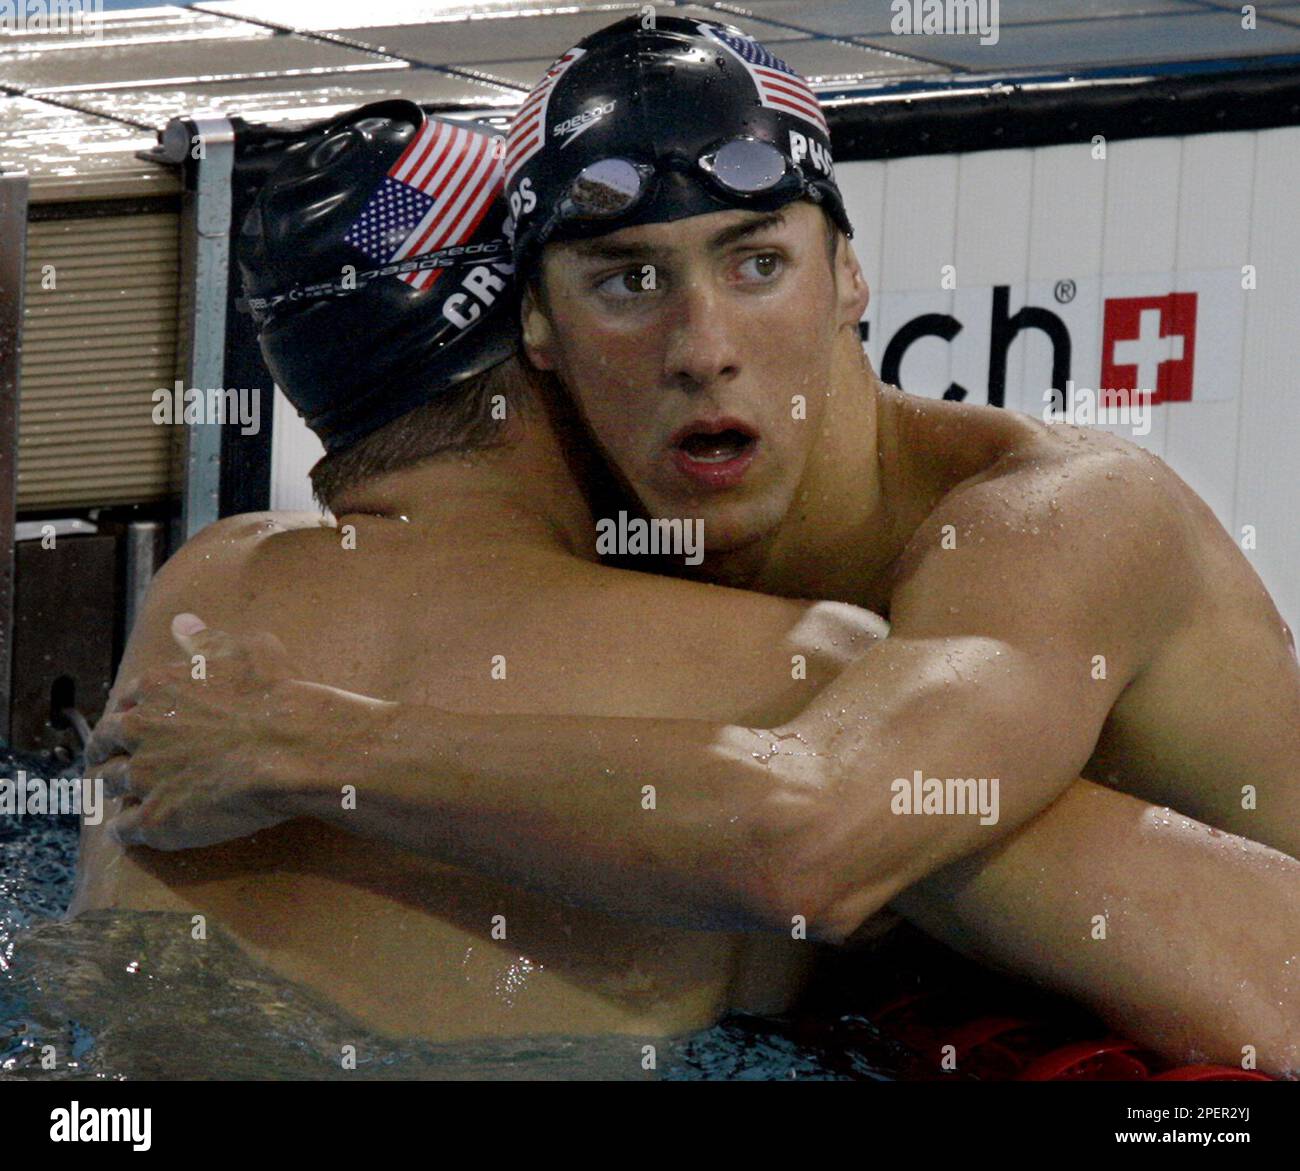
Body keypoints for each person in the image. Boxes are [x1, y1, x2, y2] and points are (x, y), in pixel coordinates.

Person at [90, 25, 1300, 1074]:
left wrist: (313, 745)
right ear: (543, 336)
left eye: (757, 263)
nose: (700, 345)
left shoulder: (1059, 522)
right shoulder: (693, 604)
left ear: (850, 278)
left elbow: (816, 835)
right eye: (627, 282)